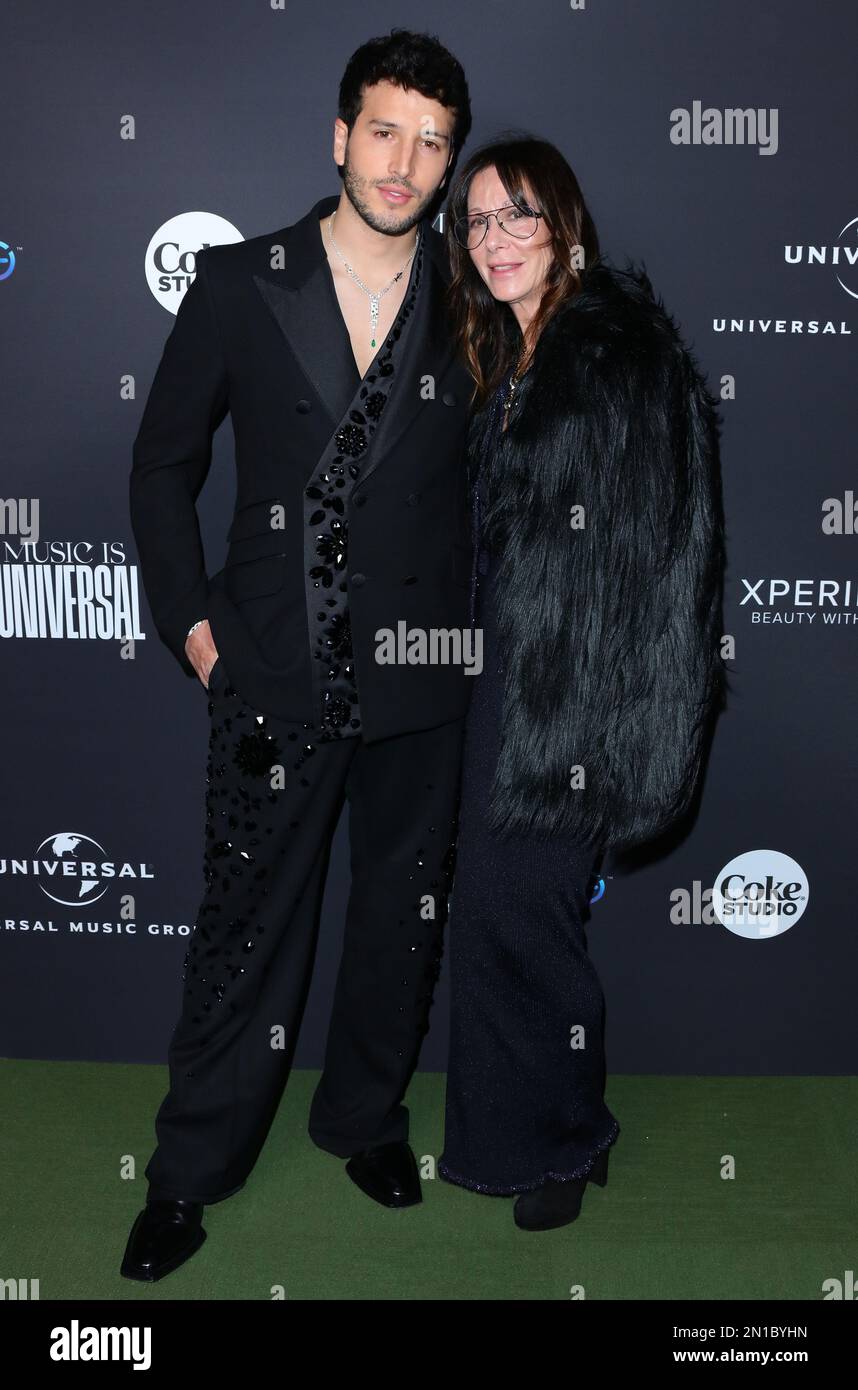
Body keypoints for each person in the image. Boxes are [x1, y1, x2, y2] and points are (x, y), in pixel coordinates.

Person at [122, 29, 475, 1282]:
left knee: (398, 918)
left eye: (433, 141)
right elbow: (163, 465)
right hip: (271, 663)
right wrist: (194, 625)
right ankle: (190, 1169)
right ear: (340, 135)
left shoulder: (474, 297)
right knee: (243, 929)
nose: (405, 162)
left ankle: (363, 1117)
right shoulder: (239, 279)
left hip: (428, 673)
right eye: (385, 130)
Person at [437, 136, 727, 1230]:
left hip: (575, 694)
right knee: (503, 911)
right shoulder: (507, 356)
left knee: (523, 909)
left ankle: (562, 1136)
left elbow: (659, 555)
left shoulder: (618, 350)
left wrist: (608, 721)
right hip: (499, 676)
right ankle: (550, 1122)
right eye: (476, 222)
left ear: (565, 223)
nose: (495, 239)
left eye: (516, 214)